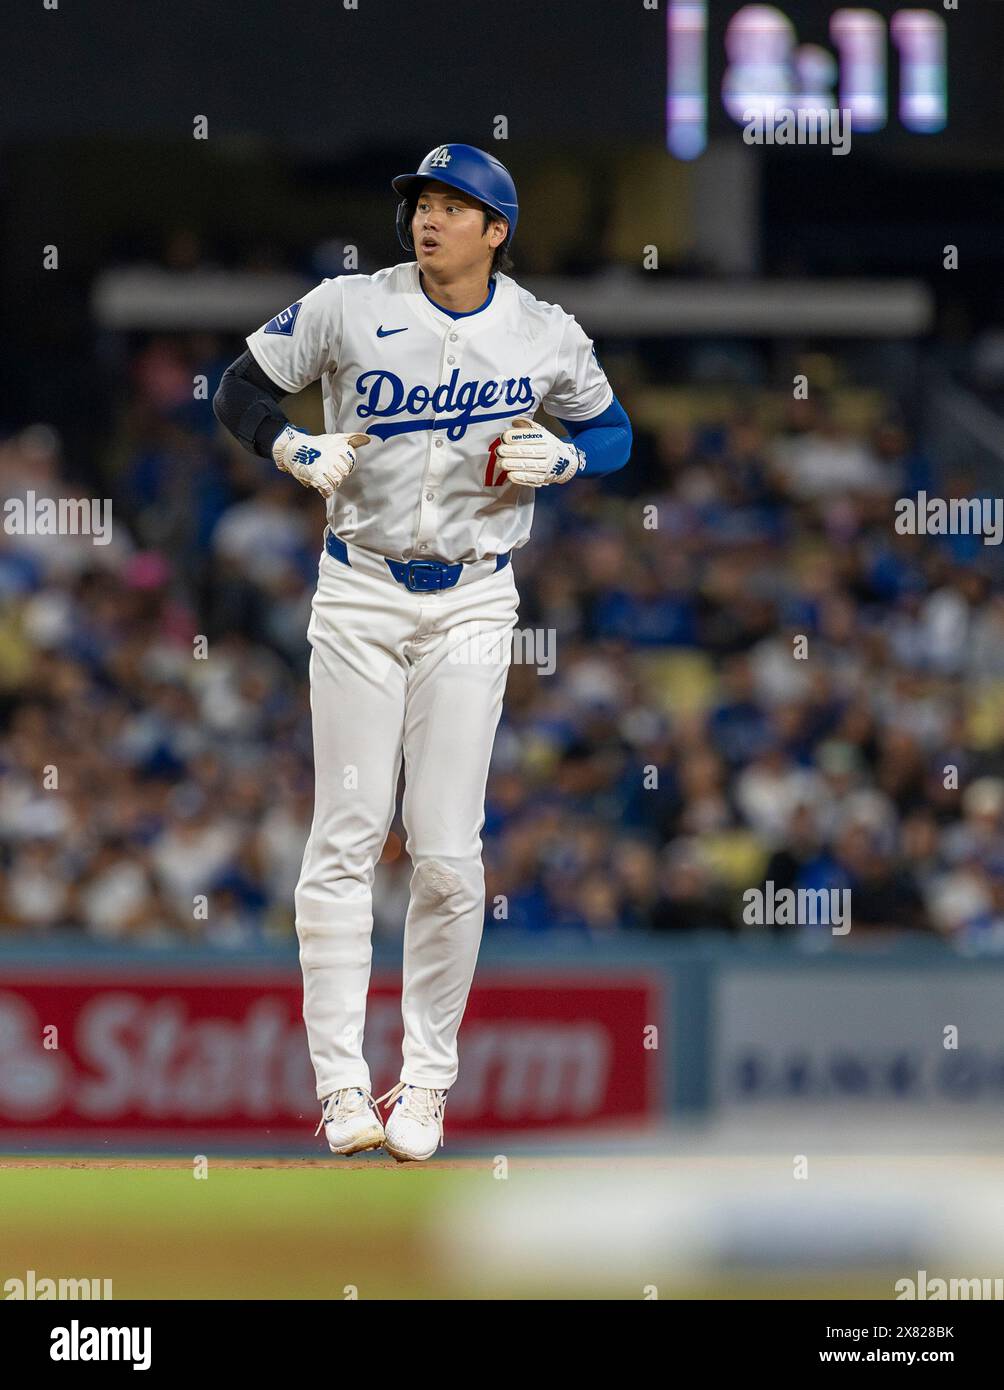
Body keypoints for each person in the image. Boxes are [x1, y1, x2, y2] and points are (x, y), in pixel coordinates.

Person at [213, 143, 632, 1161]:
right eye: (420, 203)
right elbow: (235, 388)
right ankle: (342, 1090)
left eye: (453, 206)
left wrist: (569, 455)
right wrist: (291, 445)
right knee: (346, 834)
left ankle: (427, 1086)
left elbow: (617, 431)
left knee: (446, 851)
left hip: (474, 603)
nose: (427, 219)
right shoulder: (348, 306)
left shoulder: (541, 330)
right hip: (358, 589)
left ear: (497, 230)